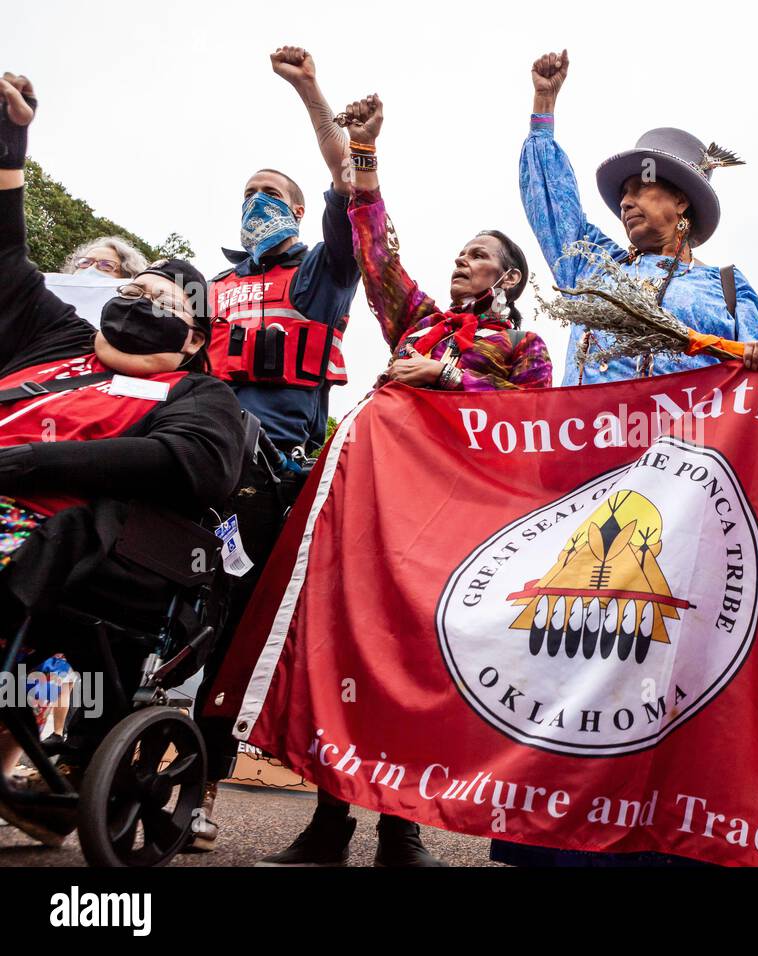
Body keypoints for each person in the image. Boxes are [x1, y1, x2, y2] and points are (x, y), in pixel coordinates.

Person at [253, 93, 552, 868]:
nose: (462, 260)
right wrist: (366, 157)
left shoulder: (525, 346)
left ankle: (400, 830)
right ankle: (328, 826)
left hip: (457, 518)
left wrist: (450, 376)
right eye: (459, 250)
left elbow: (535, 415)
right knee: (349, 648)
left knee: (417, 658)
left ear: (510, 276)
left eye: (479, 254)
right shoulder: (414, 317)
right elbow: (377, 252)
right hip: (374, 505)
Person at [0, 72, 244, 845]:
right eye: (134, 289)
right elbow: (7, 256)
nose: (144, 296)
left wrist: (34, 464)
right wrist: (12, 152)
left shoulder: (199, 395)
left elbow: (194, 465)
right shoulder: (57, 343)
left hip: (62, 529)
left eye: (167, 300)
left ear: (196, 336)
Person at [191, 45, 363, 852]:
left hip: (271, 475)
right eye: (251, 193)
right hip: (192, 459)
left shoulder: (319, 276)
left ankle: (203, 787)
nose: (260, 202)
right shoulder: (209, 289)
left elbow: (348, 187)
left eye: (275, 194)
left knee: (235, 627)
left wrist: (310, 92)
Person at [521, 50, 758, 385]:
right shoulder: (591, 266)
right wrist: (544, 102)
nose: (626, 203)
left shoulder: (726, 288)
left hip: (684, 435)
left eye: (639, 189)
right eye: (622, 196)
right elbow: (551, 202)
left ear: (681, 200)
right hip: (589, 434)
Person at [46, 236, 149, 325]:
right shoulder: (47, 301)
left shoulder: (130, 323)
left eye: (106, 265)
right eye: (85, 262)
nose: (92, 268)